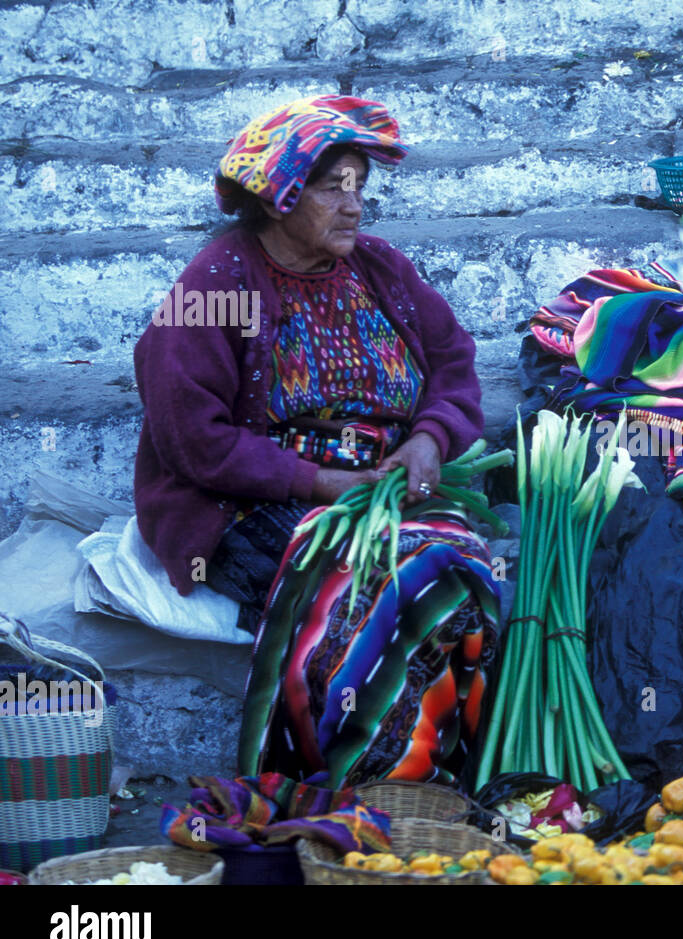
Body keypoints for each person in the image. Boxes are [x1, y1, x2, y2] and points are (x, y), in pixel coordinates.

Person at [133, 95, 500, 787]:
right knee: (396, 583)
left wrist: (428, 438)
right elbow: (191, 438)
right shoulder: (215, 283)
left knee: (468, 568)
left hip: (383, 489)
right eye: (333, 187)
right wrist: (318, 483)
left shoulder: (381, 269)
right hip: (253, 501)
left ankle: (441, 778)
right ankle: (358, 783)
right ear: (279, 196)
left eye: (359, 186)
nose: (353, 205)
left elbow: (454, 365)